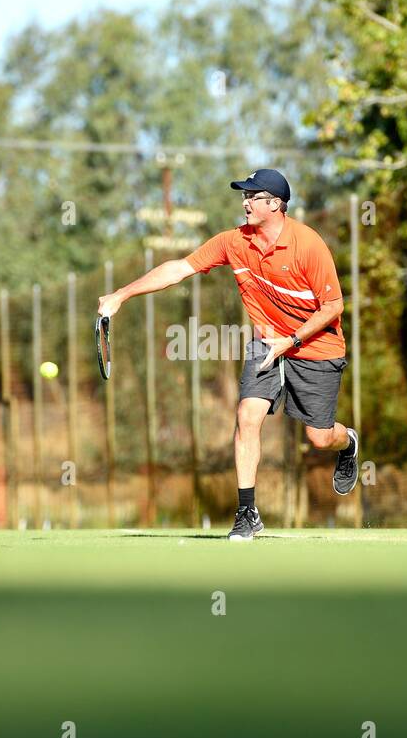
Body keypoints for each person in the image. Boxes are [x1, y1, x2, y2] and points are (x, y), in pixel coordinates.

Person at [97, 168, 359, 540]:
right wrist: (120, 295)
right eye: (244, 195)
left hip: (316, 347)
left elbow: (333, 306)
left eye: (252, 196)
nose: (245, 202)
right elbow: (178, 269)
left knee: (319, 438)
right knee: (247, 415)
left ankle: (347, 441)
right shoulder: (233, 241)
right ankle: (247, 511)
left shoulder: (308, 245)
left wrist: (293, 340)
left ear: (275, 204)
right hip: (266, 342)